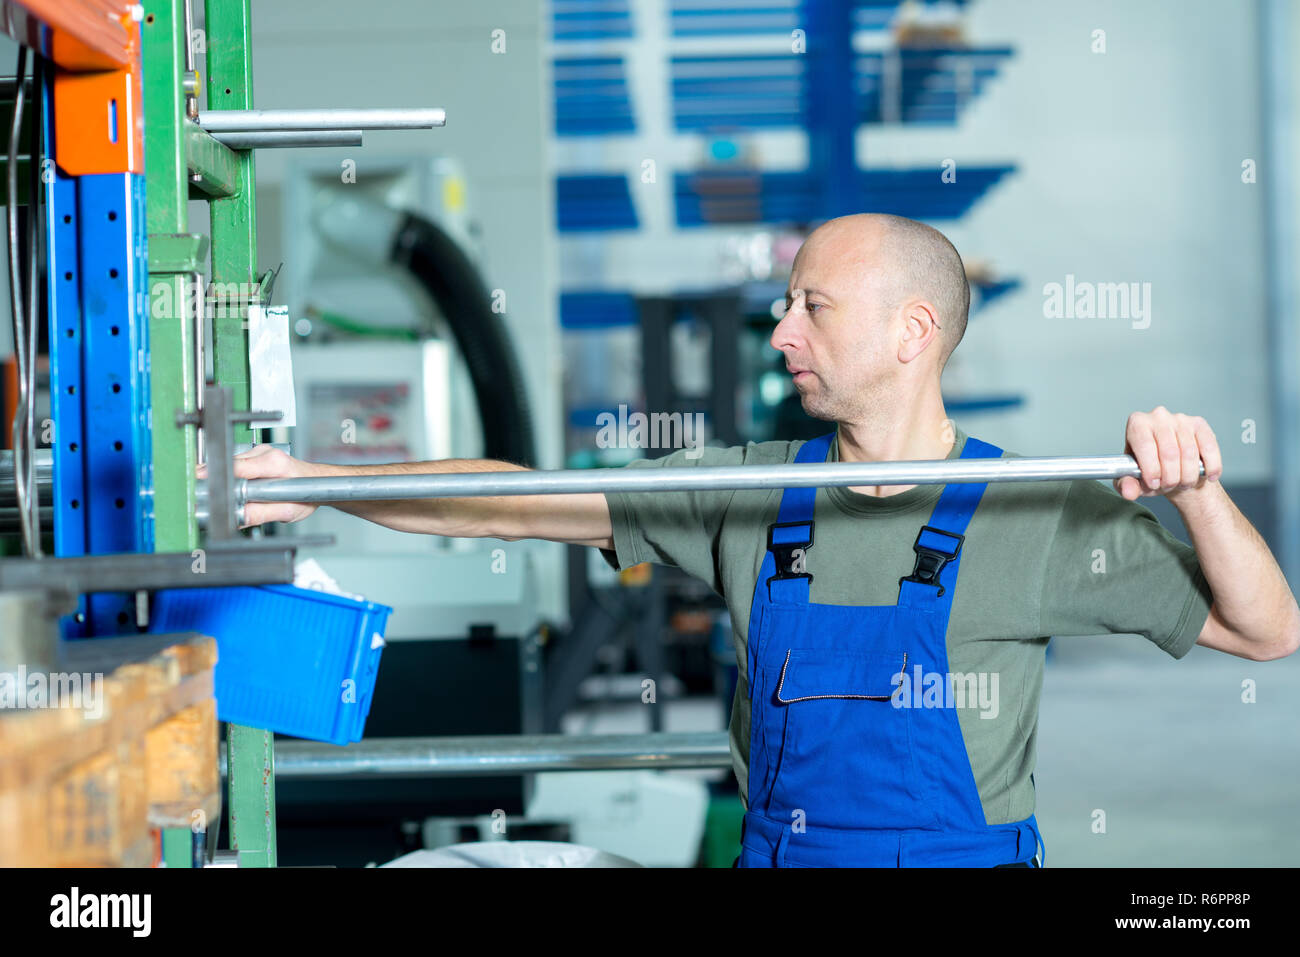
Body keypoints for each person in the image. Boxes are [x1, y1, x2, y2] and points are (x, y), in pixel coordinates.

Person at [227, 213, 1300, 868]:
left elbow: (1266, 633)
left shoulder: (1036, 511)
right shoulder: (746, 490)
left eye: (811, 309)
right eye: (785, 306)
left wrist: (1197, 492)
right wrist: (321, 482)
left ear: (908, 335)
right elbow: (516, 498)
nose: (781, 334)